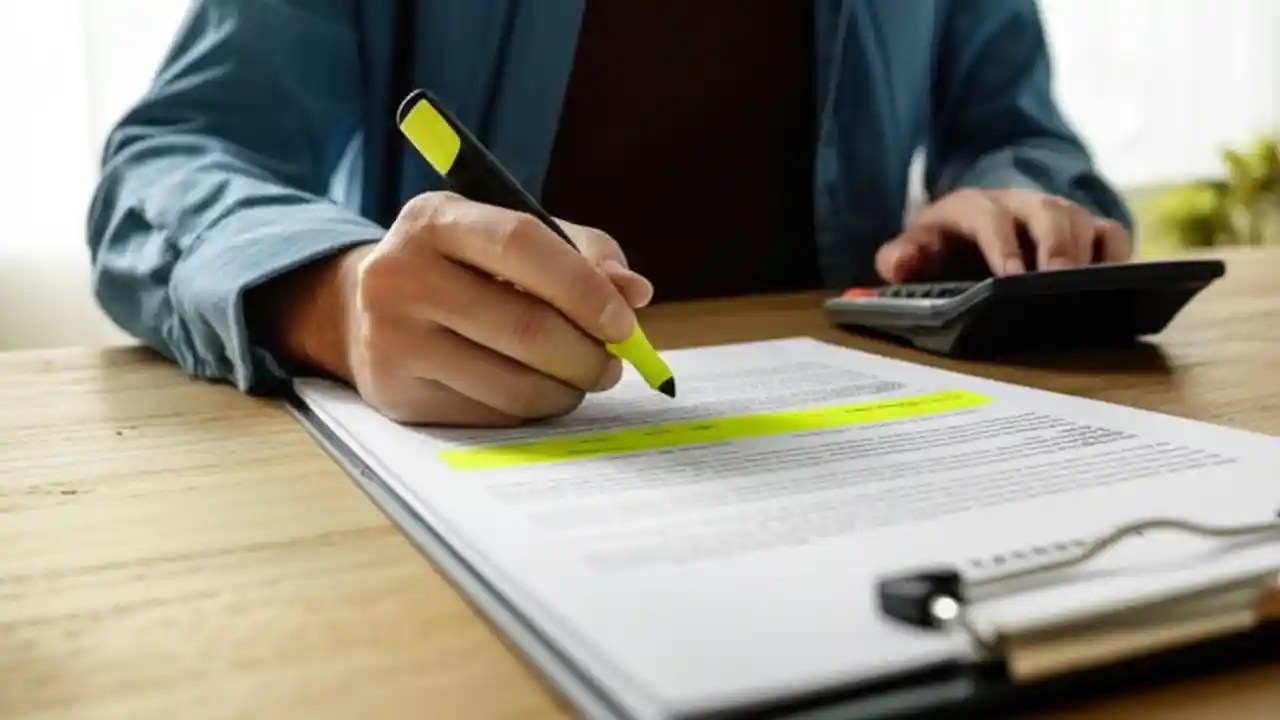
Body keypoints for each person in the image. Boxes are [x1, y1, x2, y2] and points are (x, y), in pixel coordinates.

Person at [88, 0, 1132, 427]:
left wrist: (1008, 197)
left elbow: (1020, 130)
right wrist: (335, 296)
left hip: (868, 443)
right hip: (481, 463)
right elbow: (169, 165)